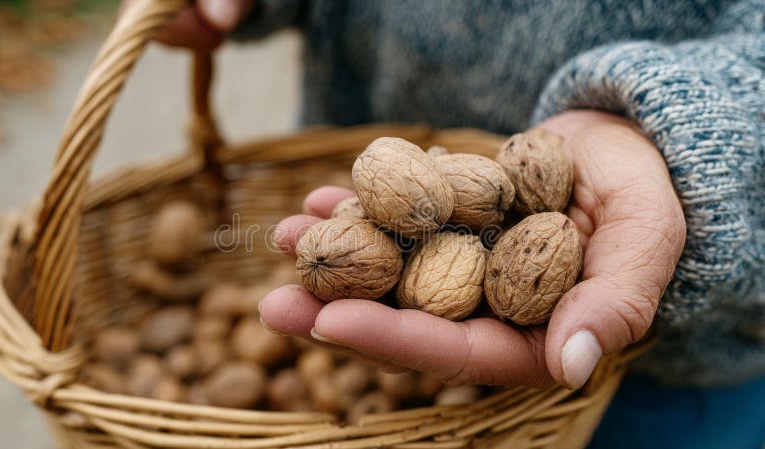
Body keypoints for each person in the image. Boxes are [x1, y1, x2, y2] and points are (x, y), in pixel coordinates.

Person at [121, 1, 765, 448]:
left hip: (683, 373)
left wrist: (667, 129)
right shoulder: (420, 217)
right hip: (408, 155)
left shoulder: (515, 211)